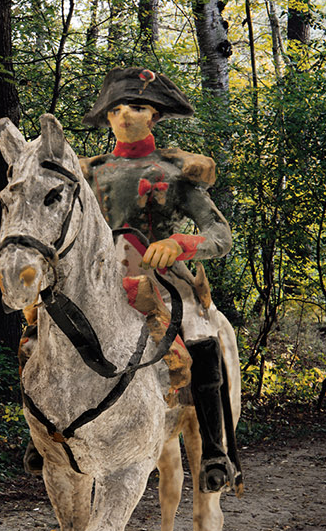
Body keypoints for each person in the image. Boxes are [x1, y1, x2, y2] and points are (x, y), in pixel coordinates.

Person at [77, 66, 240, 493]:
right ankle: (49, 433)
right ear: (107, 118)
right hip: (102, 274)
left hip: (163, 277)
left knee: (199, 335)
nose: (126, 114)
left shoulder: (174, 171)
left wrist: (183, 243)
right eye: (117, 108)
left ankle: (213, 451)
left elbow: (220, 234)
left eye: (138, 106)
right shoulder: (87, 173)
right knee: (45, 326)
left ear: (155, 116)